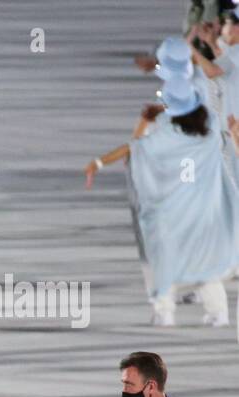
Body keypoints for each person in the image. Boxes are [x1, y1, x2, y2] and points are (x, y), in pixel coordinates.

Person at [85, 62, 239, 328]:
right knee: (205, 262)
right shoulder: (210, 130)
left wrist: (98, 163)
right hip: (205, 211)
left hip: (173, 210)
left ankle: (164, 311)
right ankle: (218, 312)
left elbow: (133, 147)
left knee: (163, 260)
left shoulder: (165, 134)